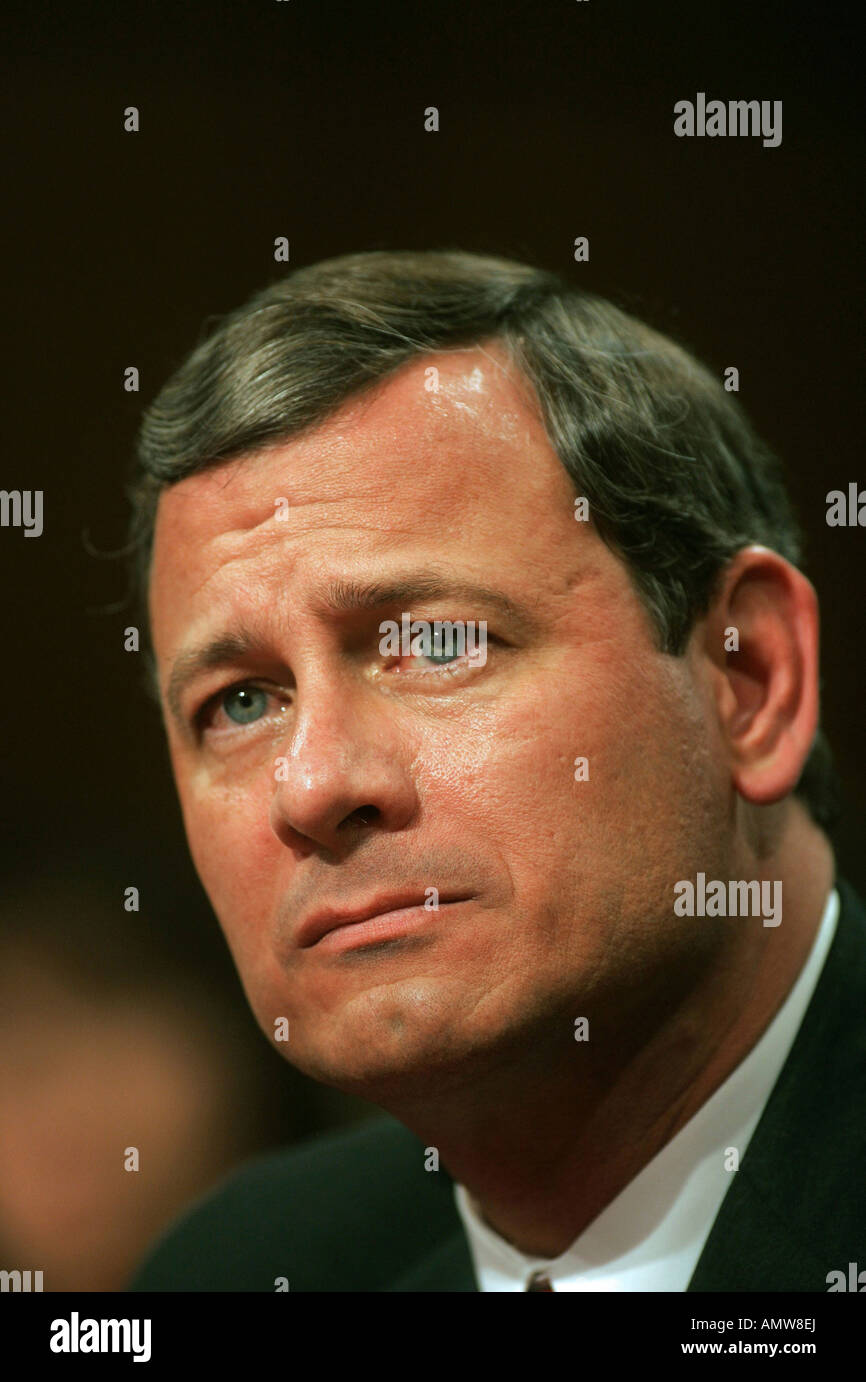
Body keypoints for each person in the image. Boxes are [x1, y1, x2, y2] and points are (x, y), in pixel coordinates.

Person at [126, 250, 863, 1292]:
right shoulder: (237, 1271)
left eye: (433, 644)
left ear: (749, 679)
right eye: (240, 702)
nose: (314, 785)